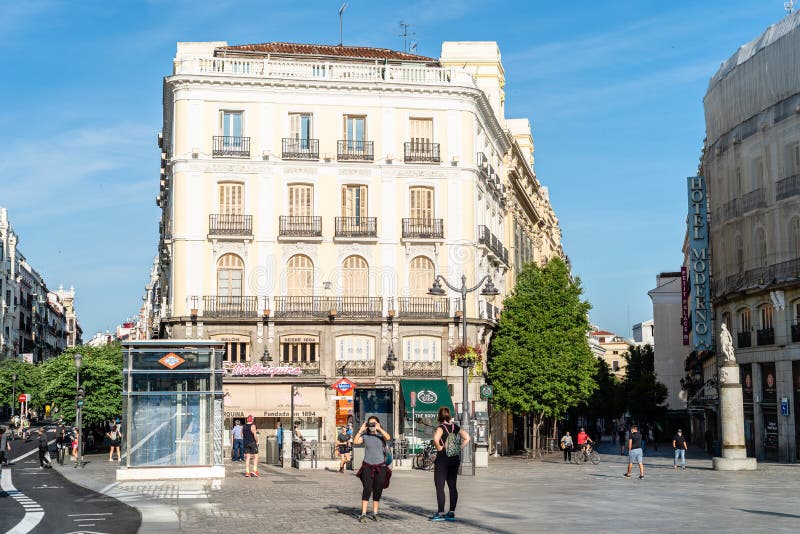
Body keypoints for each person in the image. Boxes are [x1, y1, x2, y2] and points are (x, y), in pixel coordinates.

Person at [430, 406, 471, 523]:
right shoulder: (455, 427)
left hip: (443, 459)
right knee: (452, 486)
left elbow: (436, 440)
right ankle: (451, 512)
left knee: (440, 486)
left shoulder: (440, 428)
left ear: (439, 416)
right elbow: (467, 438)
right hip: (454, 459)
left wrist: (440, 449)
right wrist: (458, 448)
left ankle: (440, 513)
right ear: (448, 415)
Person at [354, 416, 391, 523]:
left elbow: (388, 437)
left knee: (377, 490)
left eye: (374, 423)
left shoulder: (381, 435)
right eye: (370, 424)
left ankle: (375, 513)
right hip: (367, 466)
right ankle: (363, 514)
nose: (372, 426)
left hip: (381, 466)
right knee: (367, 489)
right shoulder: (365, 436)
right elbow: (356, 441)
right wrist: (361, 430)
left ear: (378, 424)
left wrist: (379, 429)